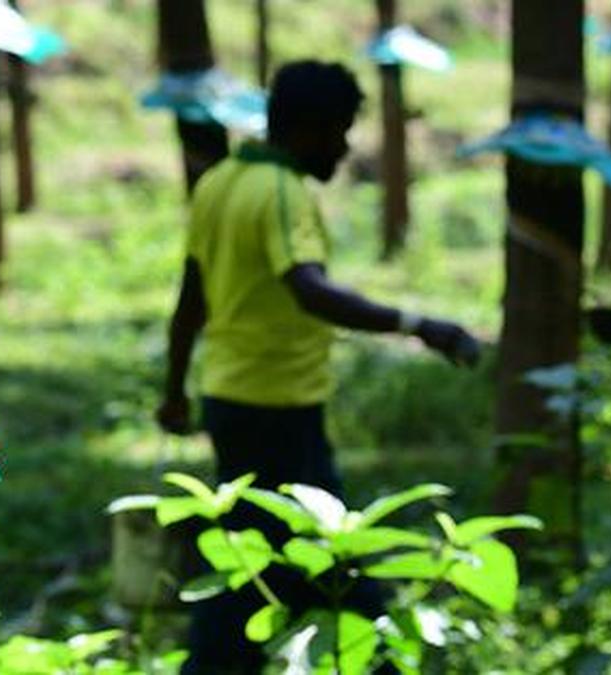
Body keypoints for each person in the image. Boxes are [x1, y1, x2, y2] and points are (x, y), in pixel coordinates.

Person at [156, 60, 480, 674]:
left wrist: (175, 390)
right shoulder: (282, 191)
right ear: (308, 127)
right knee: (325, 558)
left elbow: (189, 300)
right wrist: (421, 326)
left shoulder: (219, 180)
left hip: (230, 399)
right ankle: (375, 660)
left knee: (256, 557)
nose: (345, 145)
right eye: (340, 129)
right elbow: (310, 289)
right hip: (277, 407)